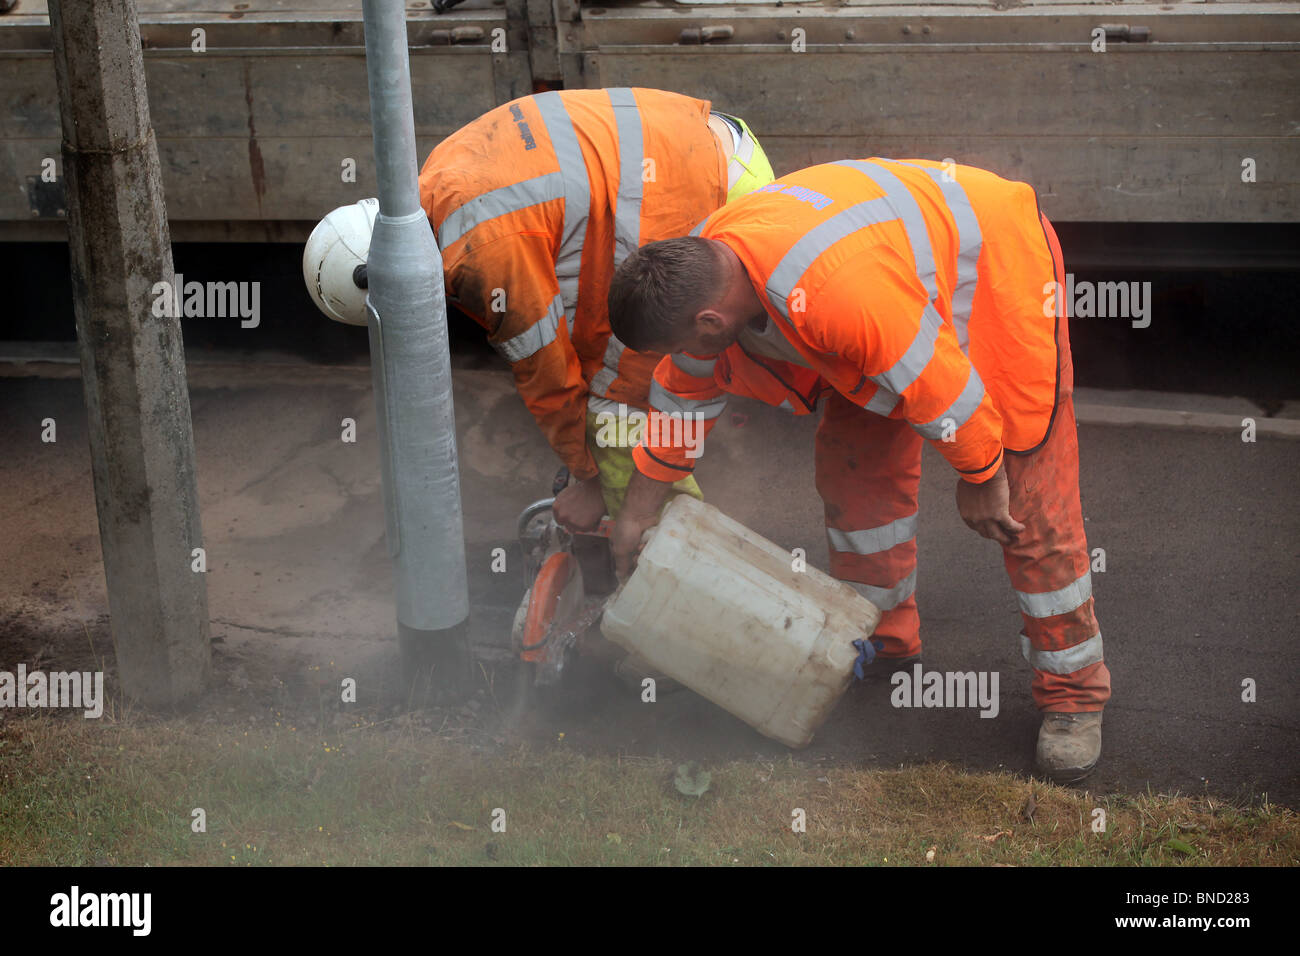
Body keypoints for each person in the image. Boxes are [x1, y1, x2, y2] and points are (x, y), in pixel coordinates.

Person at [605, 158, 1111, 784]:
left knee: (1028, 503)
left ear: (711, 323)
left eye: (680, 345)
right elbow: (682, 402)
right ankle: (882, 642)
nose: (680, 359)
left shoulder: (838, 296)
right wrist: (635, 515)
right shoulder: (707, 272)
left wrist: (982, 480)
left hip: (995, 271)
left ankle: (1074, 694)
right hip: (888, 295)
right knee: (856, 484)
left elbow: (945, 390)